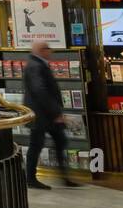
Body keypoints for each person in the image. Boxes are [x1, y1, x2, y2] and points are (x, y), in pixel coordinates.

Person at [23, 41, 80, 189]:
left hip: (45, 114)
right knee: (36, 145)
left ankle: (64, 176)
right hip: (41, 115)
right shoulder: (35, 66)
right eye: (48, 49)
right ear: (42, 50)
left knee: (59, 142)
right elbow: (40, 90)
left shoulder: (38, 64)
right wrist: (56, 113)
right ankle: (31, 178)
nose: (50, 52)